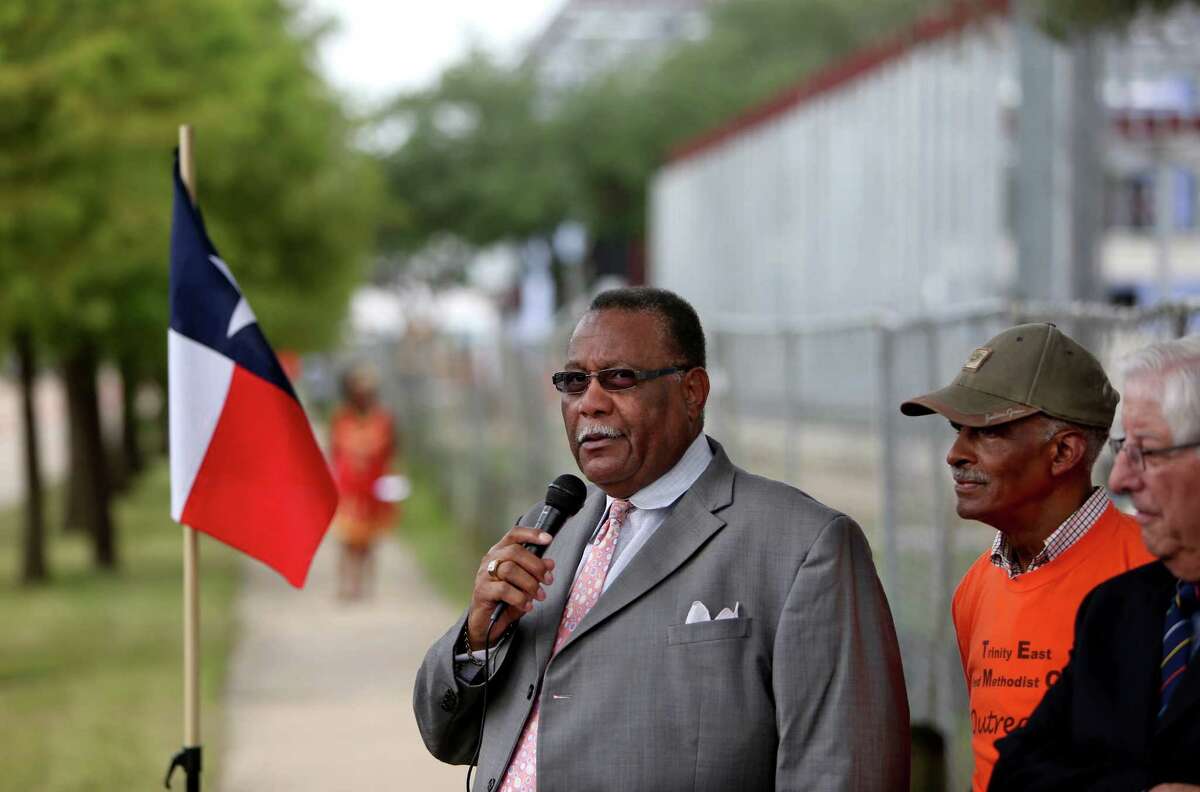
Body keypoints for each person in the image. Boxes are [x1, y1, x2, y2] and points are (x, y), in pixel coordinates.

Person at [413, 287, 910, 791]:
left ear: (692, 391)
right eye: (574, 381)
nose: (590, 403)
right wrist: (476, 641)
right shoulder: (549, 533)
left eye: (620, 378)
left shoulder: (804, 547)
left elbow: (842, 770)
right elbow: (446, 736)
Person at [899, 322, 1152, 792]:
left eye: (986, 432)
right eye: (959, 430)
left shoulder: (1158, 572)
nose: (955, 453)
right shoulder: (975, 589)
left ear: (1063, 453)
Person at [990, 336, 1200, 790]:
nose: (1121, 478)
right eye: (1123, 450)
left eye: (1146, 451)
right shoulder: (1117, 607)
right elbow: (1014, 775)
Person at [329, 365, 398, 600]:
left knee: (368, 541)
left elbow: (391, 452)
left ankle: (366, 586)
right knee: (347, 540)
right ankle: (347, 585)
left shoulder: (383, 420)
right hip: (349, 488)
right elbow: (335, 451)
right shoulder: (341, 419)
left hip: (372, 488)